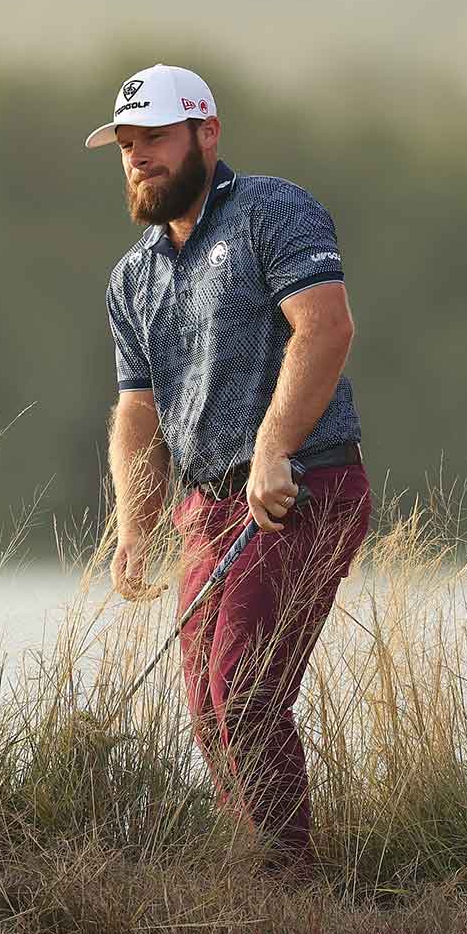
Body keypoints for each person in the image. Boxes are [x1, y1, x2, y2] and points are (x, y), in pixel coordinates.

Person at [90, 63, 372, 872]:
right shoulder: (133, 276)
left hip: (301, 489)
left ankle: (288, 893)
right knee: (209, 714)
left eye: (156, 140)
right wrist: (134, 530)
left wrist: (276, 447)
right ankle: (256, 881)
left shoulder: (270, 211)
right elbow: (139, 413)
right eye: (127, 144)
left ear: (206, 134)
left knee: (245, 695)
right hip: (208, 511)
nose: (139, 157)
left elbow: (326, 329)